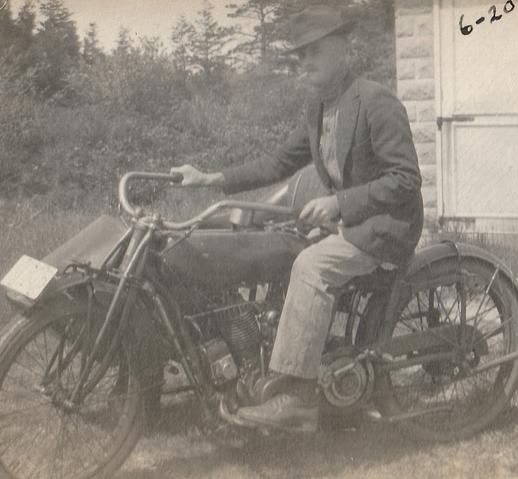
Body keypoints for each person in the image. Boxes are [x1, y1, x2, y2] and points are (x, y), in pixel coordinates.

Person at [171, 5, 422, 432]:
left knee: (309, 265)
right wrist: (210, 177)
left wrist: (340, 204)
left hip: (385, 228)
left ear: (343, 50)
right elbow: (276, 163)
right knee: (275, 246)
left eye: (316, 52)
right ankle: (266, 363)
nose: (306, 63)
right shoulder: (319, 109)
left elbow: (406, 179)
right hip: (351, 225)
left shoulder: (375, 100)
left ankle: (298, 397)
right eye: (301, 56)